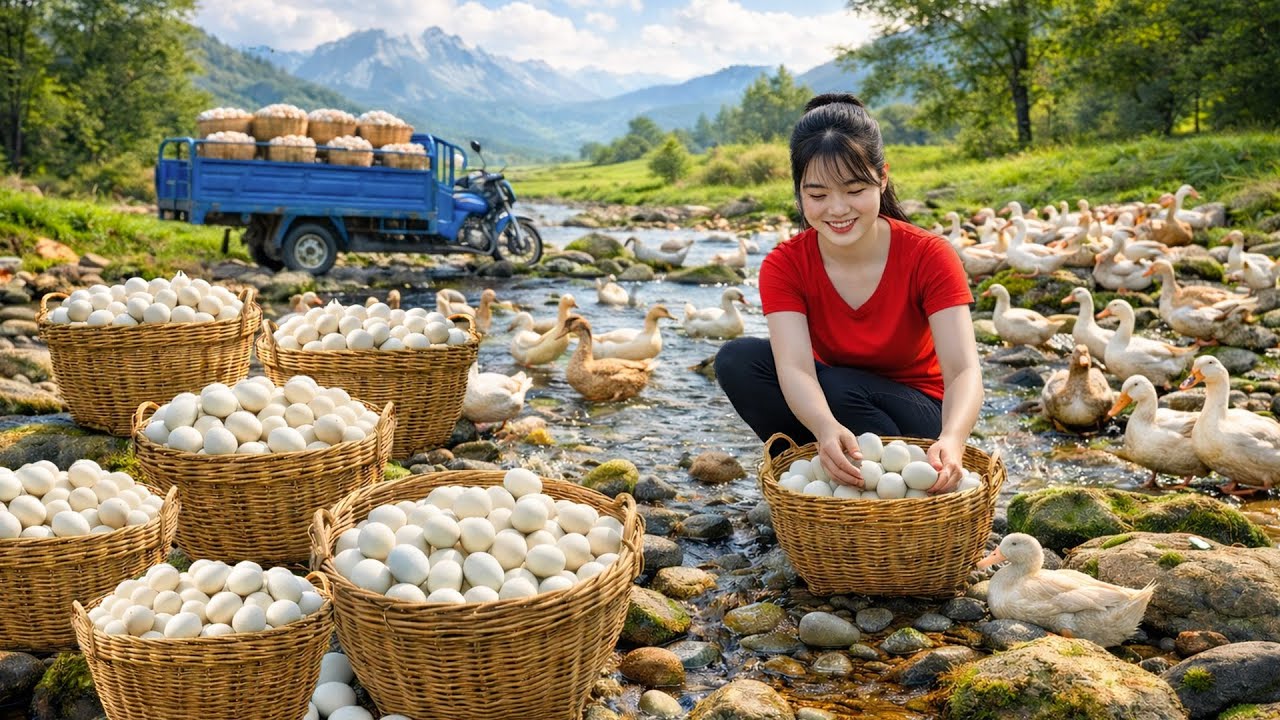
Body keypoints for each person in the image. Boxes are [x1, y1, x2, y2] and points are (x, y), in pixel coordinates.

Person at [715, 93, 983, 492]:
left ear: (883, 178)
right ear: (799, 191)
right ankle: (822, 475)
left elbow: (963, 370)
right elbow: (795, 369)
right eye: (818, 195)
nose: (837, 210)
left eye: (855, 189)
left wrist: (953, 439)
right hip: (836, 409)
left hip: (920, 421)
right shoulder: (785, 264)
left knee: (839, 385)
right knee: (738, 359)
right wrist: (823, 428)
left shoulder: (929, 255)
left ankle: (896, 492)